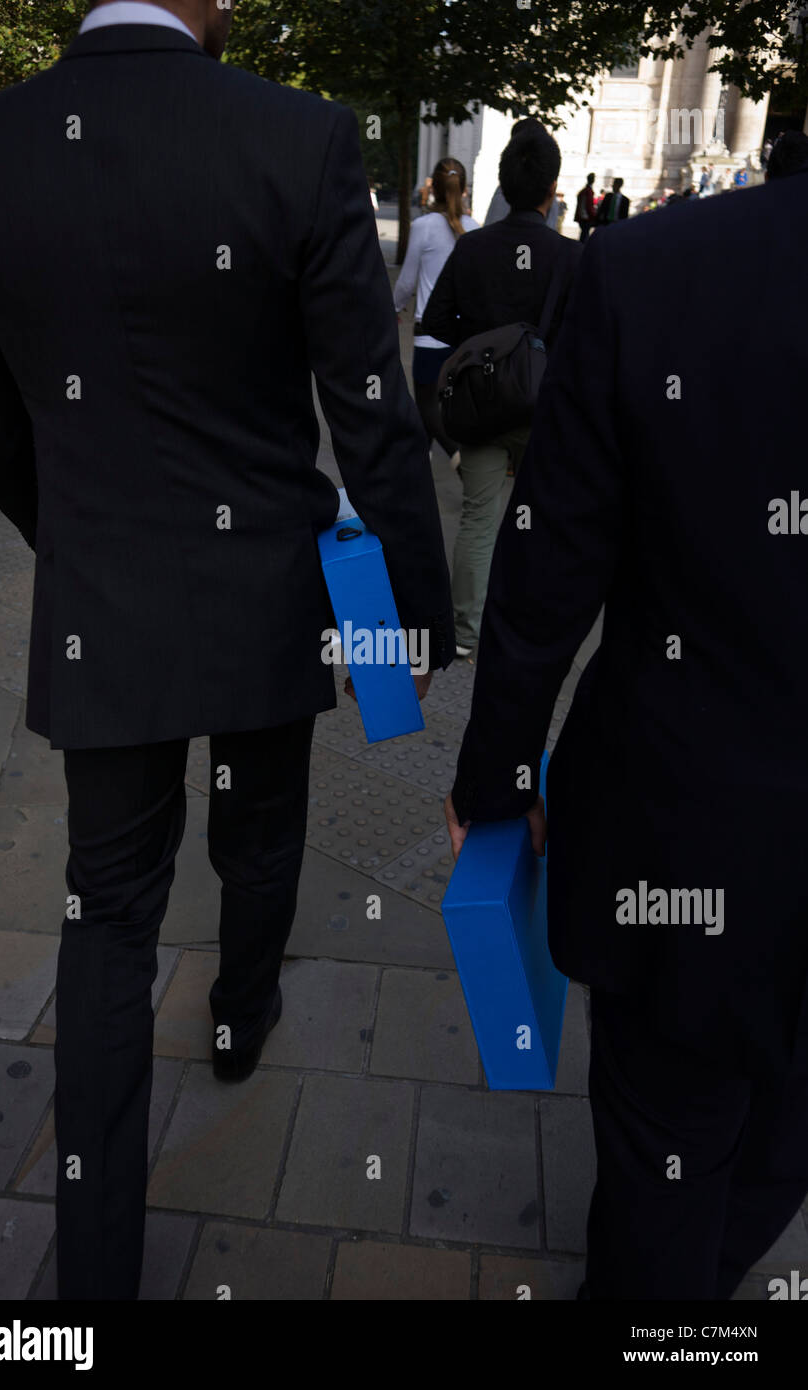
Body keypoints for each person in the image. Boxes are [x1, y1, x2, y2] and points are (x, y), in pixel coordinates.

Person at [0, 0, 454, 1300]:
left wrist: (79, 540)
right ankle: (236, 1019)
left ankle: (96, 1266)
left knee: (105, 906)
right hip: (263, 589)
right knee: (261, 828)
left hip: (103, 598)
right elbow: (372, 409)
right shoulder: (295, 138)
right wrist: (409, 613)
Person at [445, 173, 808, 1300]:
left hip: (681, 834)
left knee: (664, 1155)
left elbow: (550, 568)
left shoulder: (655, 266)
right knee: (776, 1138)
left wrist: (498, 780)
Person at [422, 120, 582, 659]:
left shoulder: (472, 249)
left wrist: (479, 344)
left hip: (483, 408)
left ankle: (466, 632)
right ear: (552, 190)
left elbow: (436, 318)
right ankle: (529, 627)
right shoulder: (570, 258)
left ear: (502, 185)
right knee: (541, 520)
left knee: (478, 517)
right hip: (547, 409)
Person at [394, 158, 478, 466]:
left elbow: (406, 280)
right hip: (462, 336)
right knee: (444, 404)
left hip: (429, 334)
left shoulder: (422, 227)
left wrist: (393, 307)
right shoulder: (474, 229)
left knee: (428, 405)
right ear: (464, 189)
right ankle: (420, 458)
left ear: (433, 189)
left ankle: (457, 459)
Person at [574, 172, 596, 242]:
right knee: (584, 237)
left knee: (584, 235)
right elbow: (589, 206)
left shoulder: (584, 190)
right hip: (586, 218)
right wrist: (593, 216)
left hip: (582, 217)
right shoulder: (588, 191)